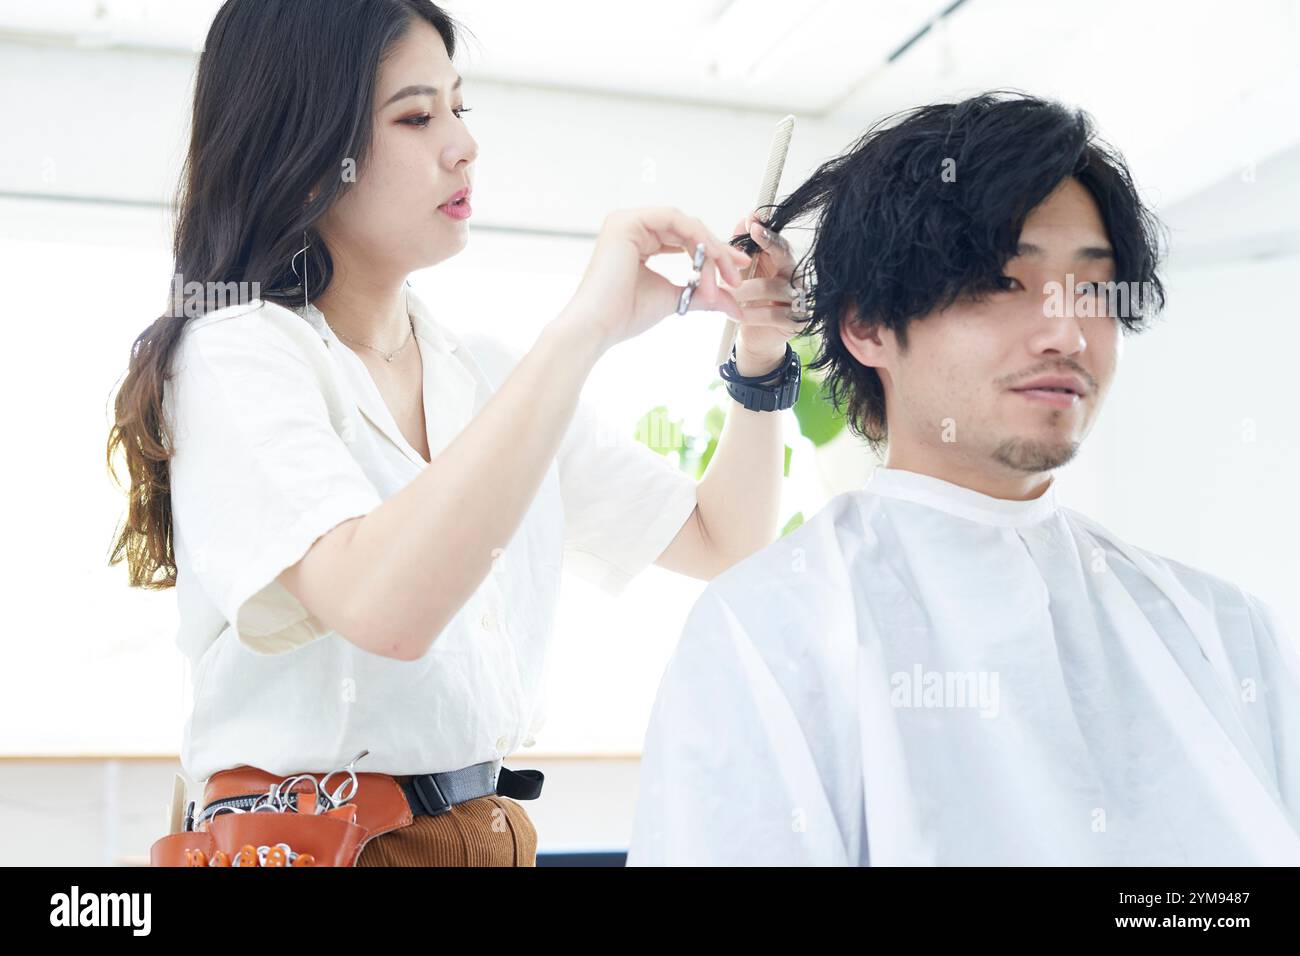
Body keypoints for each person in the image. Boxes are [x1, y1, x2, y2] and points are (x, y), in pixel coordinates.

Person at [106, 0, 807, 866]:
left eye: (459, 106)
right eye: (415, 115)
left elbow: (723, 541)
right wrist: (582, 331)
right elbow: (384, 610)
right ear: (308, 150)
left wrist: (761, 355)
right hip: (323, 842)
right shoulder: (237, 352)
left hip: (487, 834)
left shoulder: (483, 375)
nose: (462, 143)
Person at [626, 92, 1300, 866]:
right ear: (867, 326)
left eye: (1092, 287)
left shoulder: (1223, 631)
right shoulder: (774, 636)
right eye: (1005, 283)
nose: (1067, 331)